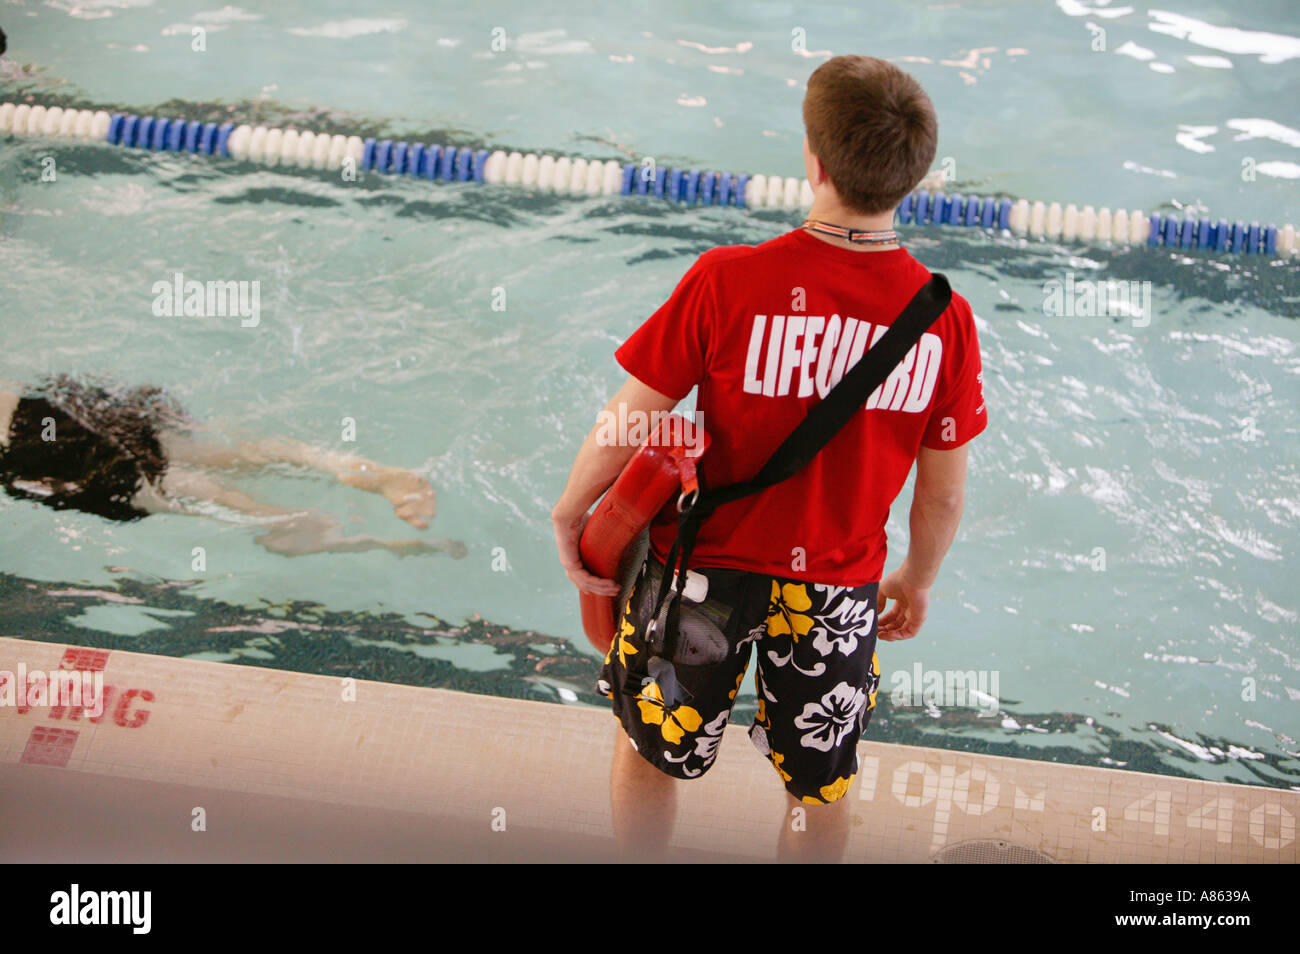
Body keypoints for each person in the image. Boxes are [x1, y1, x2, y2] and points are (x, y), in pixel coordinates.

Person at [553, 55, 987, 862]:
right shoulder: (945, 318)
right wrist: (917, 581)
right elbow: (943, 498)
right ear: (911, 177)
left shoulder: (729, 281)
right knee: (816, 788)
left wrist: (570, 510)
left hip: (702, 573)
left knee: (655, 756)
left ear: (813, 159)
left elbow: (628, 419)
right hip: (836, 588)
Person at [0, 374, 463, 557]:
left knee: (198, 496)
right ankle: (336, 461)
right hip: (43, 409)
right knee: (216, 453)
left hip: (32, 454)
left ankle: (315, 530)